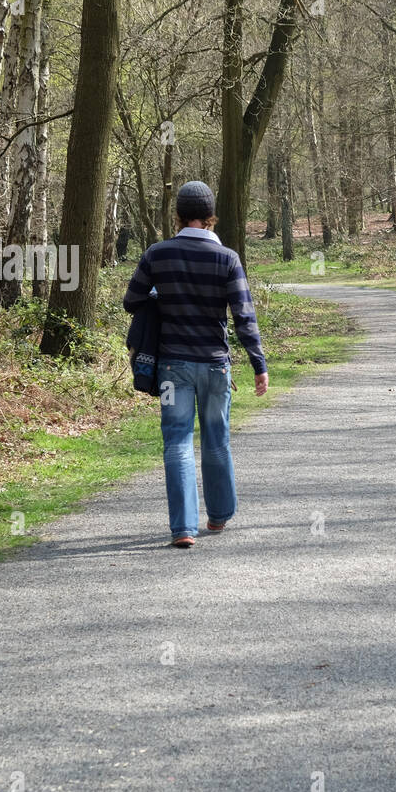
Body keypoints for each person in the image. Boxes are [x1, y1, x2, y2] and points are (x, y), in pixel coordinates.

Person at [123, 181, 269, 548]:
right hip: (216, 367)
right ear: (210, 217)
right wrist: (258, 363)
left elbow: (132, 300)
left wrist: (158, 295)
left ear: (178, 215)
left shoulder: (157, 254)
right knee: (216, 441)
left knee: (177, 441)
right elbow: (243, 316)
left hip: (173, 368)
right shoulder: (227, 259)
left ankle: (184, 529)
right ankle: (218, 517)